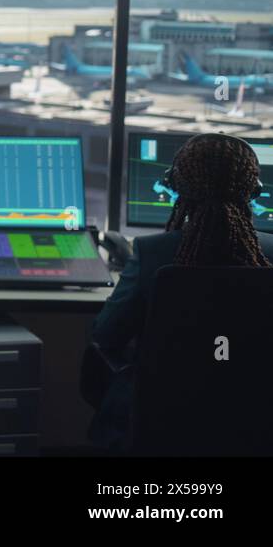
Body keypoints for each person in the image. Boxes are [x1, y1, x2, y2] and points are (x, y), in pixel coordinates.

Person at [88, 133, 273, 450]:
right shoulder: (267, 254)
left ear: (175, 184)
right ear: (254, 189)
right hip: (253, 422)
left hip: (160, 419)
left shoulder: (151, 253)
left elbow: (106, 335)